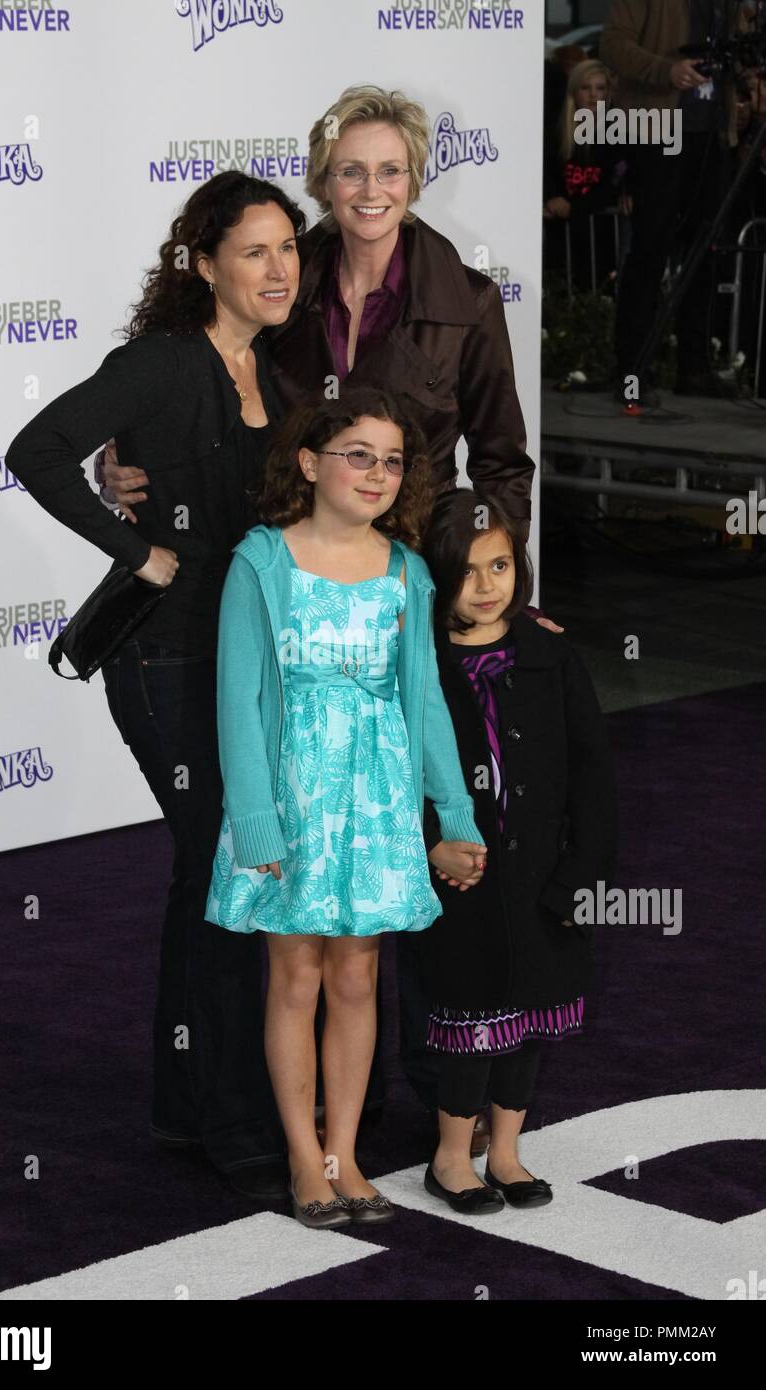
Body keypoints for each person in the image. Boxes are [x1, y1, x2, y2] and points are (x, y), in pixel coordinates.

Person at [97, 85, 552, 1153]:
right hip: (279, 602)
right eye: (349, 170)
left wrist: (483, 585)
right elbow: (185, 374)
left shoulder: (463, 301)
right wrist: (122, 463)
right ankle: (230, 1108)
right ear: (320, 179)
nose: (369, 191)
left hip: (404, 606)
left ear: (416, 179)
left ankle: (392, 1106)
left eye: (389, 170)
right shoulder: (276, 276)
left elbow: (502, 463)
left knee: (396, 857)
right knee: (252, 863)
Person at [4, 172, 306, 1200]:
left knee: (205, 873)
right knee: (228, 867)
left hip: (251, 659)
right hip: (166, 657)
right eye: (254, 251)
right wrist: (133, 549)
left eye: (286, 250)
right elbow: (36, 448)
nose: (276, 270)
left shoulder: (281, 373)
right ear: (204, 263)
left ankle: (188, 1103)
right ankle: (233, 1120)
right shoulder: (160, 365)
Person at [204, 389, 486, 1227]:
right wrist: (254, 816)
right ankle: (301, 1160)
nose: (377, 473)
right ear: (309, 463)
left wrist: (456, 814)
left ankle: (344, 1154)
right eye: (358, 454)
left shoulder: (408, 571)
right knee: (295, 975)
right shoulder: (262, 561)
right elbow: (238, 698)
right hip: (293, 798)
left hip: (378, 798)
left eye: (393, 459)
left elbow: (425, 702)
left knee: (359, 976)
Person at [416, 488, 619, 1213]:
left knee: (531, 1017)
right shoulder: (423, 664)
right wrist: (430, 848)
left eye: (499, 565)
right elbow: (398, 776)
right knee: (469, 1020)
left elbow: (594, 773)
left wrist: (582, 876)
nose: (487, 585)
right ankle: (450, 1156)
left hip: (544, 877)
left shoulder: (548, 653)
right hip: (461, 884)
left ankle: (504, 1151)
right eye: (467, 571)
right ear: (437, 576)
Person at [601, 0, 751, 402]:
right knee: (650, 248)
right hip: (655, 128)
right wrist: (666, 69)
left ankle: (694, 367)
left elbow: (738, 48)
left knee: (706, 249)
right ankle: (631, 373)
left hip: (713, 133)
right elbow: (612, 44)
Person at [544, 60, 630, 293]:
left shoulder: (618, 130)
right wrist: (552, 198)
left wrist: (577, 208)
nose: (594, 95)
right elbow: (546, 169)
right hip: (561, 234)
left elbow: (617, 175)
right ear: (574, 91)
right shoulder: (555, 129)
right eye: (586, 88)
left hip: (600, 233)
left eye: (600, 88)